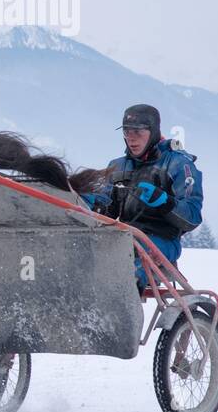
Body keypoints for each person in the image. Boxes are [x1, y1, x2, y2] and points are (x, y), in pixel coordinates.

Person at [82, 104, 203, 288]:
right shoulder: (117, 166)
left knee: (126, 274)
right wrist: (89, 203)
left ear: (153, 131)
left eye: (138, 132)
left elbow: (193, 218)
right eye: (127, 132)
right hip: (124, 237)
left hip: (161, 242)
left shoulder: (179, 164)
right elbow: (105, 211)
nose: (131, 138)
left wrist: (164, 201)